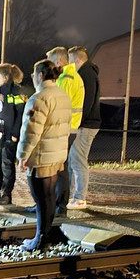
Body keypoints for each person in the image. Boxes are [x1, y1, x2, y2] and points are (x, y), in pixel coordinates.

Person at [16, 59, 73, 251]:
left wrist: (23, 156)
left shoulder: (39, 98)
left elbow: (31, 131)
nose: (32, 78)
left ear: (40, 75)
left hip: (41, 156)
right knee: (49, 197)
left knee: (41, 199)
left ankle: (40, 239)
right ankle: (45, 236)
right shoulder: (63, 95)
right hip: (56, 155)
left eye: (33, 74)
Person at [45, 46, 85, 215]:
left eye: (51, 63)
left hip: (63, 129)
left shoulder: (66, 78)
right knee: (59, 168)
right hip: (69, 128)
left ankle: (58, 206)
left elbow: (60, 105)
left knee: (59, 169)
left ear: (59, 61)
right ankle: (55, 205)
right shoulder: (72, 76)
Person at [0, 63, 27, 205]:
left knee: (7, 165)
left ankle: (6, 195)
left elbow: (21, 114)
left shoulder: (16, 91)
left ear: (6, 77)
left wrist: (15, 134)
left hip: (10, 134)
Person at [67, 46, 101, 209]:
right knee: (75, 160)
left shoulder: (85, 75)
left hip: (85, 125)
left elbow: (84, 103)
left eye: (71, 61)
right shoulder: (89, 73)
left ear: (76, 60)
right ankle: (73, 197)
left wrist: (77, 123)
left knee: (78, 160)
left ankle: (79, 198)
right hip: (86, 124)